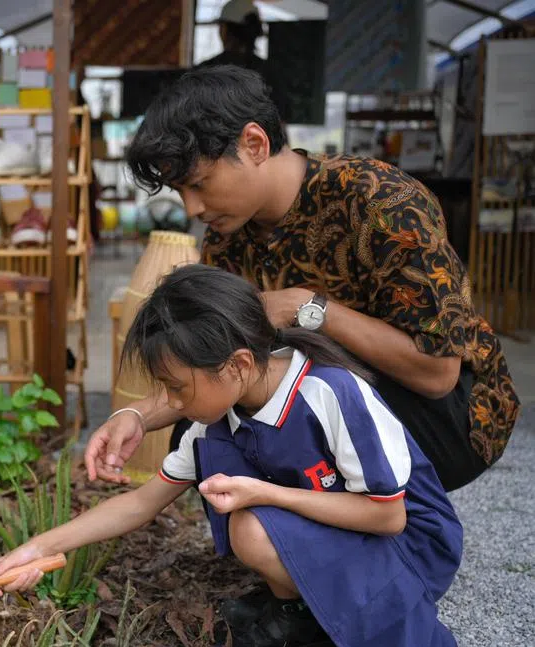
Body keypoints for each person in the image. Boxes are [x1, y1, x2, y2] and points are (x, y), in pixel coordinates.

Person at [0, 264, 464, 647]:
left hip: (409, 547)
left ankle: (370, 628)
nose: (169, 404)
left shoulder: (330, 393)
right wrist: (38, 547)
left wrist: (266, 493)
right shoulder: (217, 416)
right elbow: (140, 504)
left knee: (252, 524)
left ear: (236, 364)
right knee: (249, 521)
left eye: (177, 388)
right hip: (350, 534)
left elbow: (389, 515)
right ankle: (306, 618)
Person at [87, 65, 518, 498]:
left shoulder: (382, 201)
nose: (193, 207)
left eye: (199, 184)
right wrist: (136, 416)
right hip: (336, 397)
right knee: (203, 421)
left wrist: (308, 309)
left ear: (254, 144)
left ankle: (376, 532)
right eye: (180, 192)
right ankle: (300, 543)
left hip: (448, 417)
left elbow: (438, 374)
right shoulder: (227, 241)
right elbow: (214, 363)